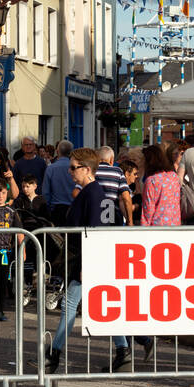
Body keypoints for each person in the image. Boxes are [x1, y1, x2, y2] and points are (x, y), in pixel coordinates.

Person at [45, 149, 114, 373]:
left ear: (87, 169)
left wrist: (87, 264)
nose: (70, 171)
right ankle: (127, 349)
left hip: (86, 258)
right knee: (103, 307)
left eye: (74, 167)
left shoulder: (93, 193)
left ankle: (53, 356)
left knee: (69, 305)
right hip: (84, 257)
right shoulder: (89, 191)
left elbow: (95, 231)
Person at [0, 179, 23, 322]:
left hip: (5, 253)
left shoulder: (12, 211)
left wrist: (23, 250)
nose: (0, 196)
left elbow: (19, 232)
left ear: (7, 194)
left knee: (3, 283)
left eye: (2, 193)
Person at [140, 143, 181, 227]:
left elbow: (148, 209)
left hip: (157, 226)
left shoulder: (151, 181)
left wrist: (144, 229)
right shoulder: (174, 176)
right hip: (175, 223)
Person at [95, 146, 134, 227]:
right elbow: (126, 198)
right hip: (113, 214)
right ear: (111, 160)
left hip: (94, 214)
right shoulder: (117, 172)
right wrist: (130, 221)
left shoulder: (91, 171)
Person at [43, 139, 75, 226]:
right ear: (71, 152)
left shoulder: (51, 168)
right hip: (73, 208)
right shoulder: (76, 168)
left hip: (57, 209)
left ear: (57, 152)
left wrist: (49, 208)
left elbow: (46, 192)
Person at [119, 158, 142, 225]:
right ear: (127, 174)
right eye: (134, 174)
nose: (136, 176)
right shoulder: (122, 188)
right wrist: (136, 206)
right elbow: (125, 205)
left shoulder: (126, 187)